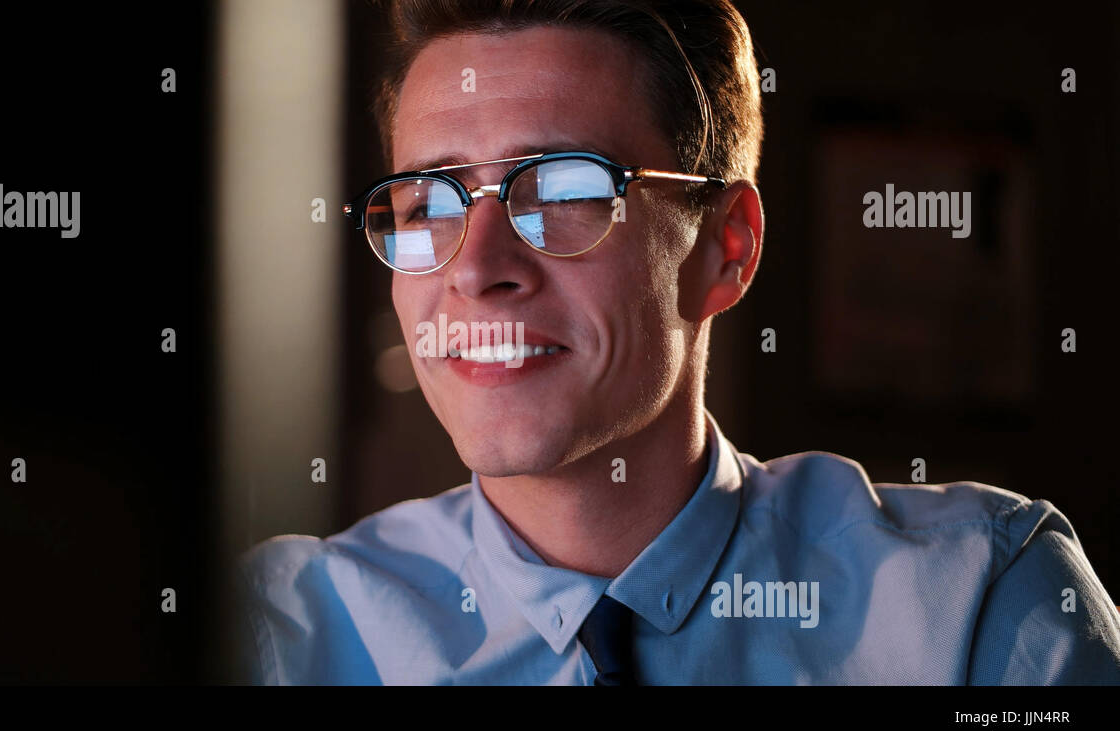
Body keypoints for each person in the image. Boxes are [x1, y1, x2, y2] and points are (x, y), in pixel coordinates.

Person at [241, 0, 1120, 685]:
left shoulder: (976, 609)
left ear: (725, 247)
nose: (475, 269)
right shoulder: (276, 634)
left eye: (561, 187)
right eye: (429, 202)